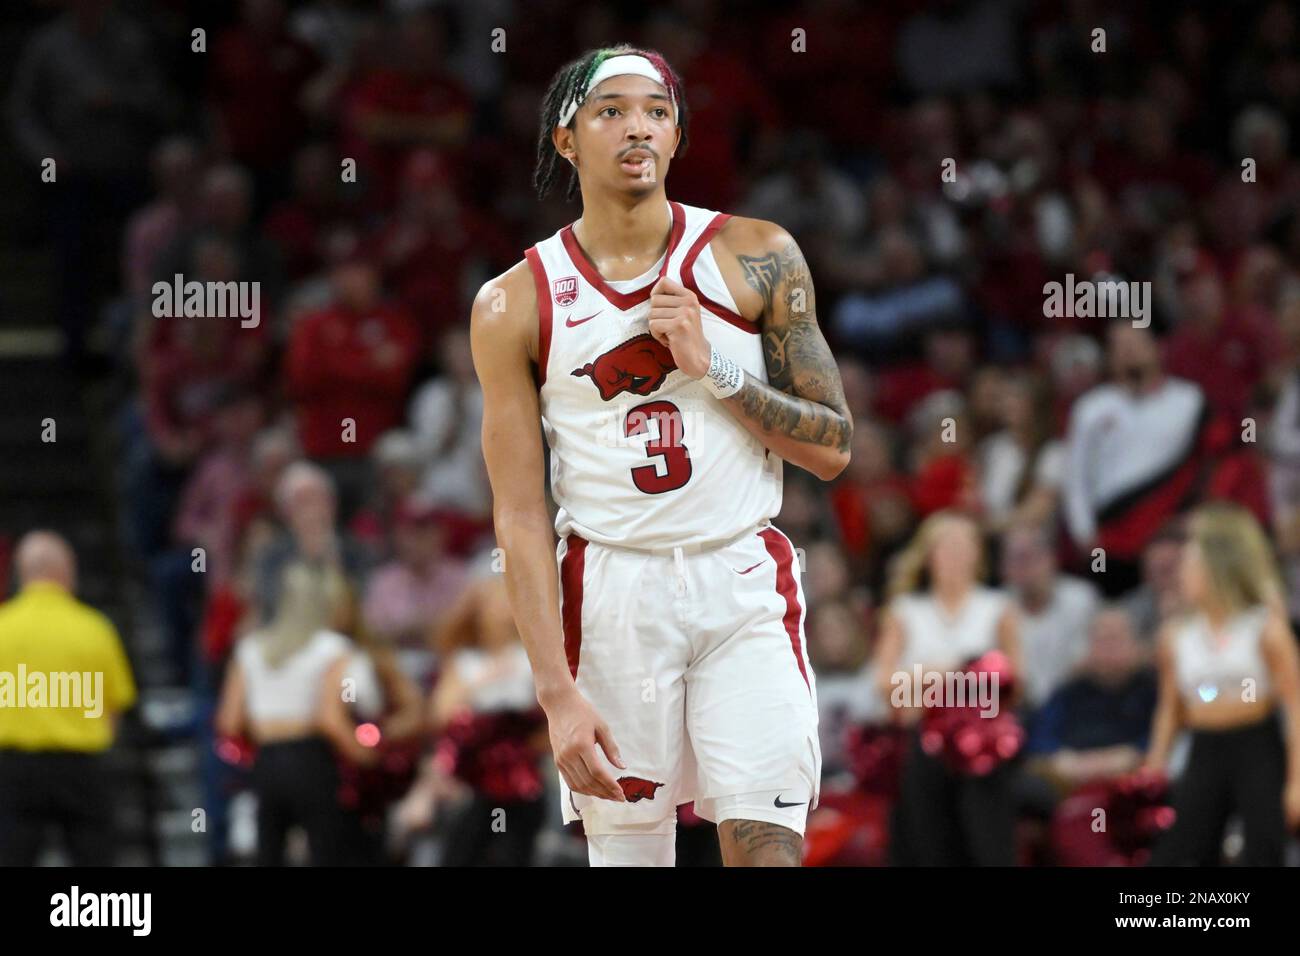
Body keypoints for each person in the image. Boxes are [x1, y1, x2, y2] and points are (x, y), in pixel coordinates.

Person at [471, 45, 854, 867]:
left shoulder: (757, 254)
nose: (637, 126)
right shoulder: (513, 301)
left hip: (740, 578)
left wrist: (710, 365)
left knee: (770, 850)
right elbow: (519, 513)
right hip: (611, 592)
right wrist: (554, 694)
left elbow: (833, 447)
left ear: (677, 135)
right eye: (611, 110)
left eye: (657, 110)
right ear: (567, 139)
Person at [1146, 503, 1300, 865]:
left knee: (1264, 849)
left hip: (1257, 746)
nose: (1180, 574)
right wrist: (1154, 765)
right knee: (1181, 852)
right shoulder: (1175, 636)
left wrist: (1297, 781)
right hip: (1204, 748)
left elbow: (1295, 708)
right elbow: (1171, 707)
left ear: (1217, 567)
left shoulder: (1264, 628)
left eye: (1189, 564)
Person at [873, 511, 1022, 866]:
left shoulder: (998, 607)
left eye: (962, 546)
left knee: (987, 842)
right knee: (927, 842)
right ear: (928, 555)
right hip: (922, 738)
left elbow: (1014, 681)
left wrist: (924, 679)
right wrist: (958, 672)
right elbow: (885, 684)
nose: (954, 555)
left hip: (985, 744)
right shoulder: (905, 610)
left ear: (978, 554)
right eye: (945, 547)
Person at [215, 555, 370, 866]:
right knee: (326, 854)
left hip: (266, 763)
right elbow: (333, 716)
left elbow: (228, 722)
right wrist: (365, 755)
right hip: (313, 760)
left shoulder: (250, 648)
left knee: (269, 856)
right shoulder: (334, 648)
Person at [0, 531, 137, 865]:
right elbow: (115, 707)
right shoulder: (94, 629)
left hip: (14, 767)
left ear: (21, 572)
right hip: (81, 767)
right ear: (66, 572)